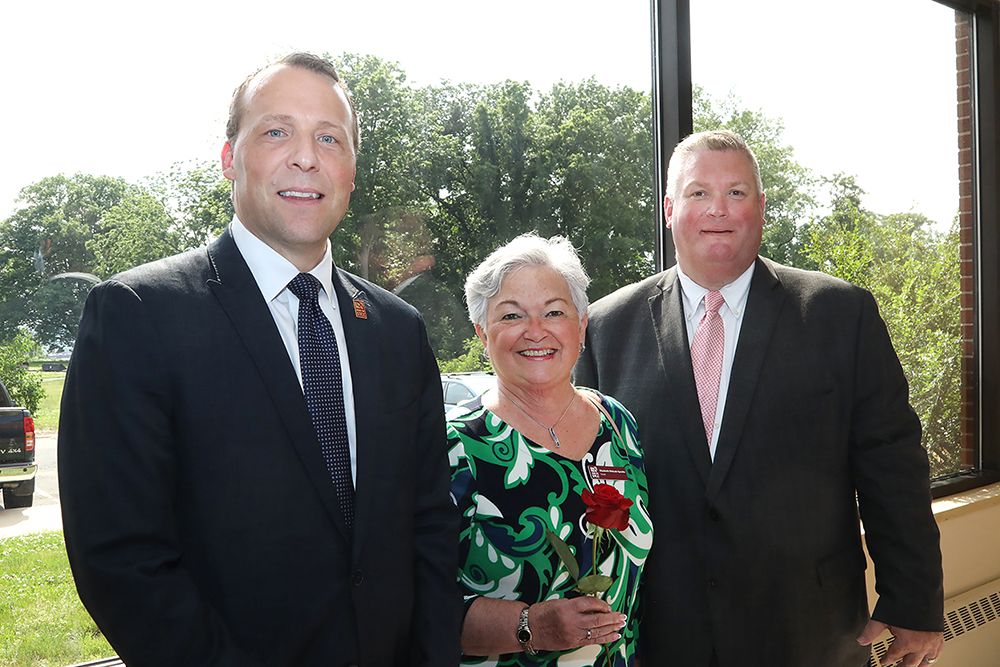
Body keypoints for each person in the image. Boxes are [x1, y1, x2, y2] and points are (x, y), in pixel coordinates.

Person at [58, 52, 462, 667]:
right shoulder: (139, 315)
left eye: (330, 138)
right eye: (277, 132)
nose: (306, 157)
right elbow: (122, 559)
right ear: (229, 158)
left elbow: (429, 525)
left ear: (352, 171)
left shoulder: (398, 330)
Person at [575, 130, 944, 667]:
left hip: (809, 629)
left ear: (762, 207)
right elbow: (592, 479)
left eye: (737, 192)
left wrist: (913, 600)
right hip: (659, 630)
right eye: (699, 193)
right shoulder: (606, 327)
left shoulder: (841, 314)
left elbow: (893, 466)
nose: (718, 209)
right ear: (670, 209)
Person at [448, 233, 653, 666]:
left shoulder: (618, 423)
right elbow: (415, 604)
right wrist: (531, 626)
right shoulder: (453, 445)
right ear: (483, 333)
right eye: (512, 315)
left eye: (554, 312)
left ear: (580, 326)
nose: (535, 331)